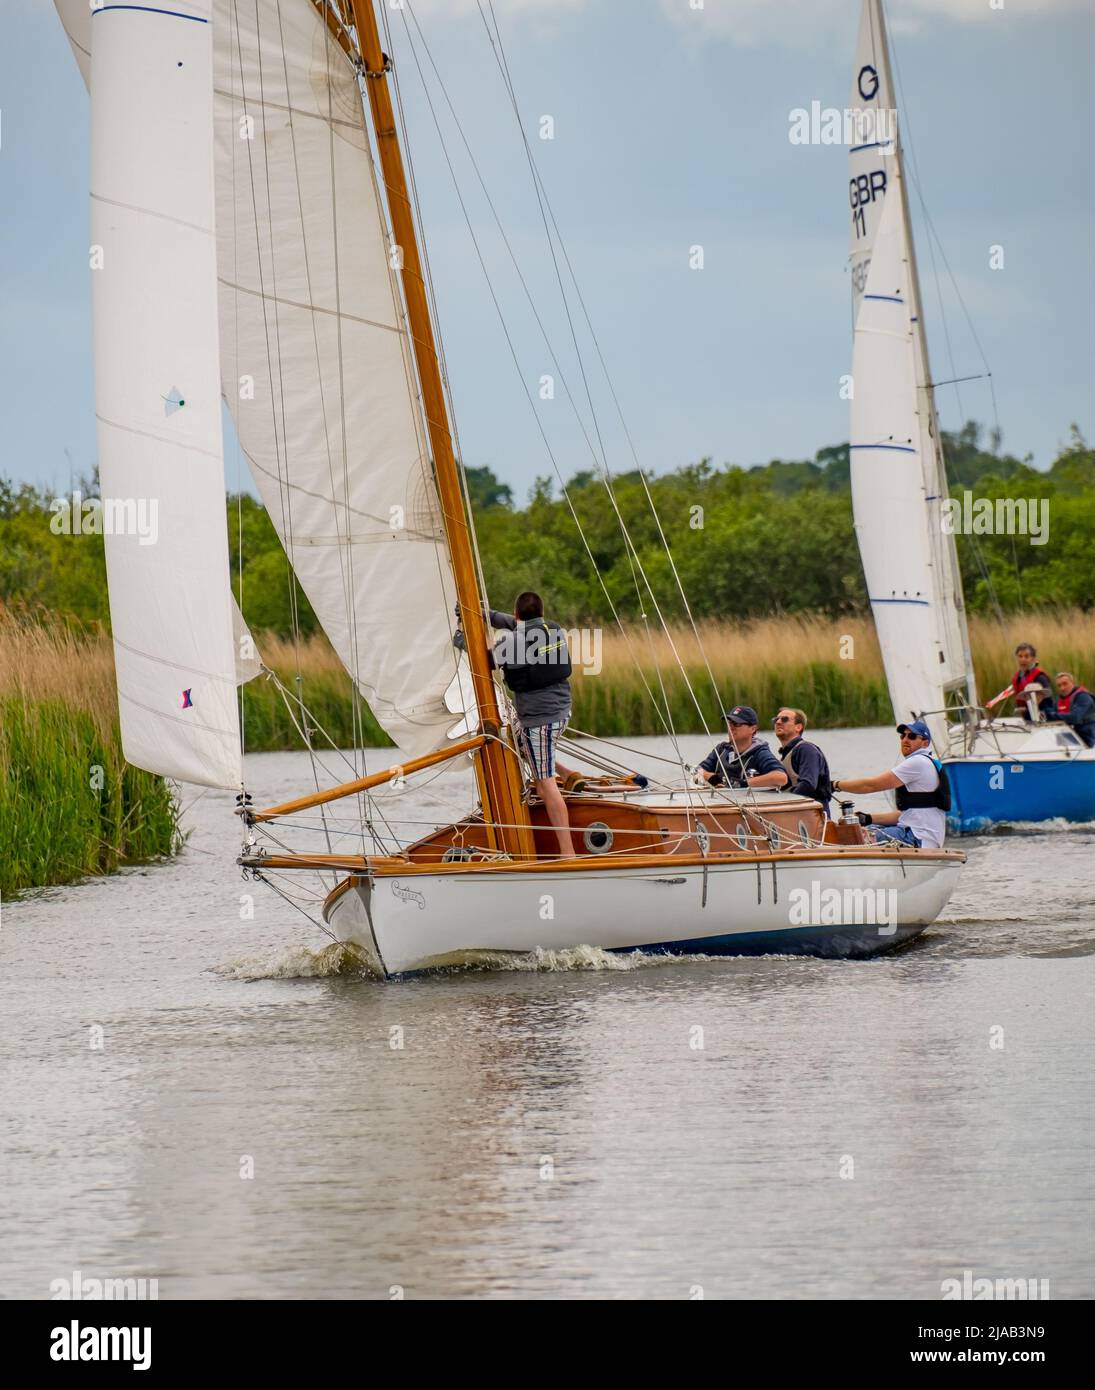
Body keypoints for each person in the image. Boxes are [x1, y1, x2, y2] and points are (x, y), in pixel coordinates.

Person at [455, 592, 577, 857]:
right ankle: (567, 773)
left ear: (517, 614)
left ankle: (568, 853)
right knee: (515, 743)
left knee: (545, 786)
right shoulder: (551, 628)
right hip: (561, 712)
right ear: (540, 614)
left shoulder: (512, 642)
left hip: (540, 722)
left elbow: (484, 661)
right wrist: (483, 614)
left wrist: (462, 641)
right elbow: (513, 624)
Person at [831, 720, 949, 849]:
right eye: (903, 736)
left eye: (912, 736)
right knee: (863, 828)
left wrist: (835, 785)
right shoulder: (928, 763)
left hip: (918, 838)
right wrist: (867, 818)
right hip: (922, 836)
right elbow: (905, 815)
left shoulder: (918, 762)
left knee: (859, 836)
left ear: (925, 743)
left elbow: (871, 785)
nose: (905, 740)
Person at [698, 706, 790, 789]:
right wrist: (712, 778)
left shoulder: (760, 753)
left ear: (753, 729)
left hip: (751, 801)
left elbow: (781, 777)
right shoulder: (721, 750)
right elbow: (696, 771)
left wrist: (742, 783)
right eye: (729, 723)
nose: (731, 728)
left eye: (737, 724)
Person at [772, 707, 833, 815]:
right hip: (796, 815)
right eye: (776, 719)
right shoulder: (786, 754)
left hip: (814, 817)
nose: (778, 722)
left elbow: (808, 784)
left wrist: (783, 806)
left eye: (784, 719)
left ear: (798, 727)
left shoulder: (806, 750)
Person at [1008, 643, 1056, 721]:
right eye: (1020, 656)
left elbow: (1048, 704)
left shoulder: (1040, 677)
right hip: (1024, 719)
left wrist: (1027, 711)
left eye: (1026, 656)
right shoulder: (1017, 677)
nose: (1023, 659)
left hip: (1041, 718)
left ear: (1033, 659)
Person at [1048, 672, 1095, 747]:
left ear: (1072, 683)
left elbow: (1075, 717)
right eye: (1059, 686)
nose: (1062, 688)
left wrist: (1052, 715)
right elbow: (1051, 716)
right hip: (1067, 737)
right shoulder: (1058, 701)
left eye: (1065, 684)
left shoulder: (1083, 697)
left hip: (1088, 738)